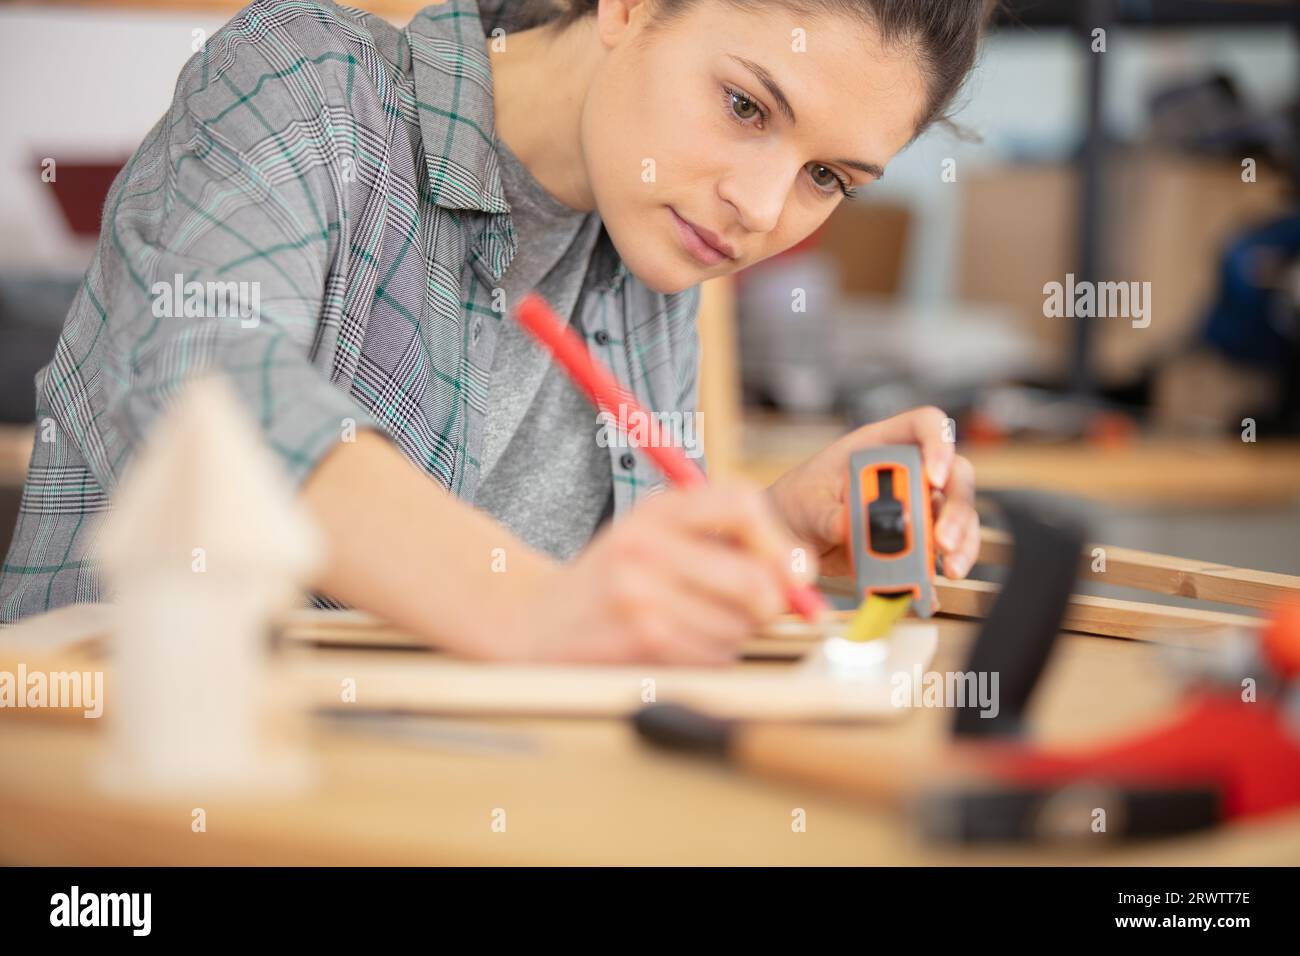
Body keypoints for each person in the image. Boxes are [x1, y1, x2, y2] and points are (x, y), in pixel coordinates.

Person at [0, 0, 989, 663]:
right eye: (743, 105)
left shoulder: (655, 247)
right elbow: (202, 398)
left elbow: (593, 616)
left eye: (827, 178)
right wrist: (529, 610)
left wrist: (770, 534)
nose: (760, 208)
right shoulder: (300, 79)